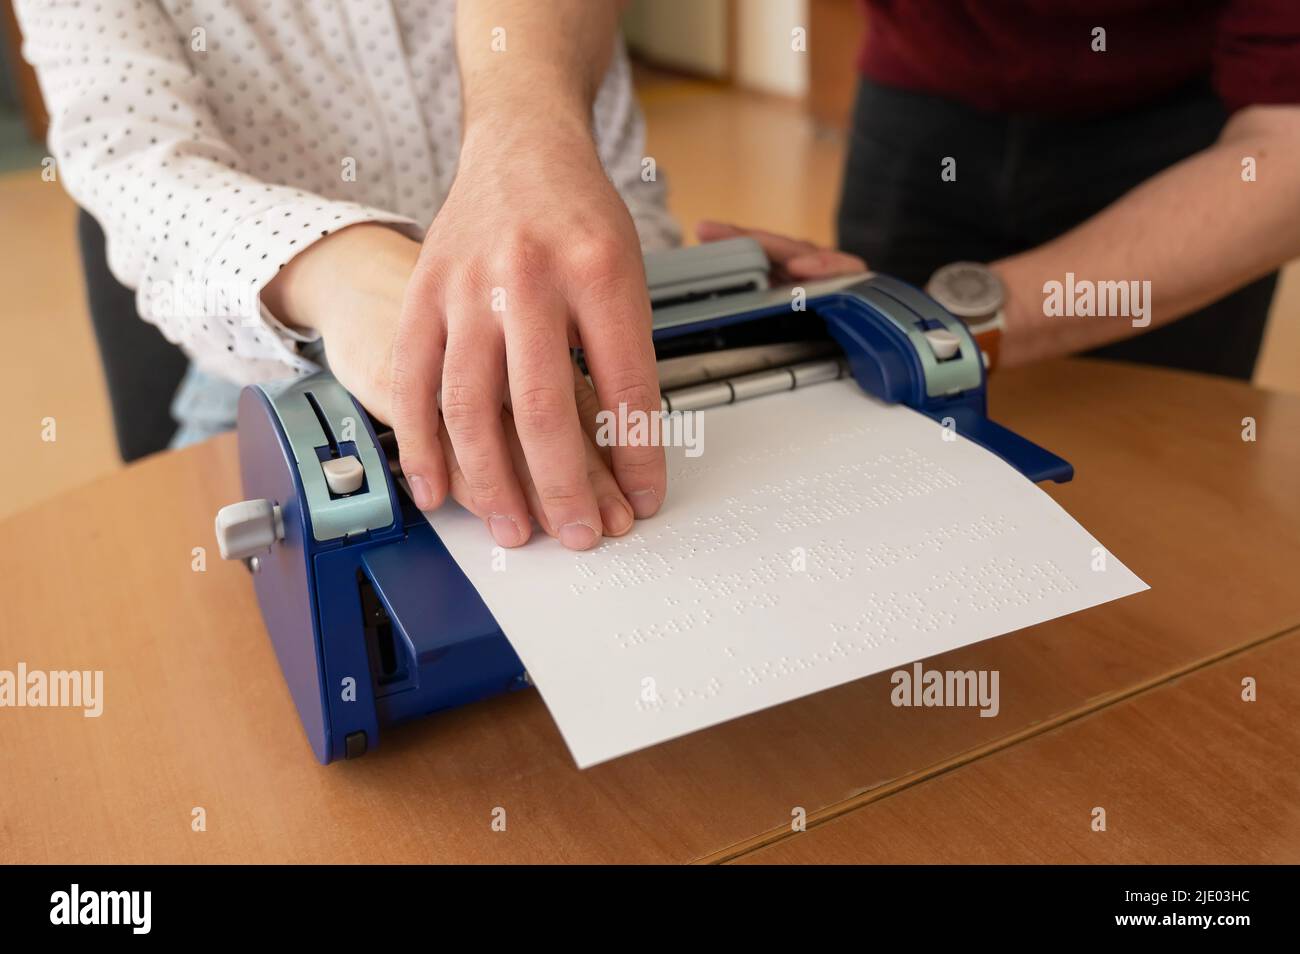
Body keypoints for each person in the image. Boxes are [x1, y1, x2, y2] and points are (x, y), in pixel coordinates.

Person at [17, 0, 858, 552]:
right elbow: (129, 157)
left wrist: (749, 297)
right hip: (283, 361)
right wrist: (348, 268)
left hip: (609, 299)